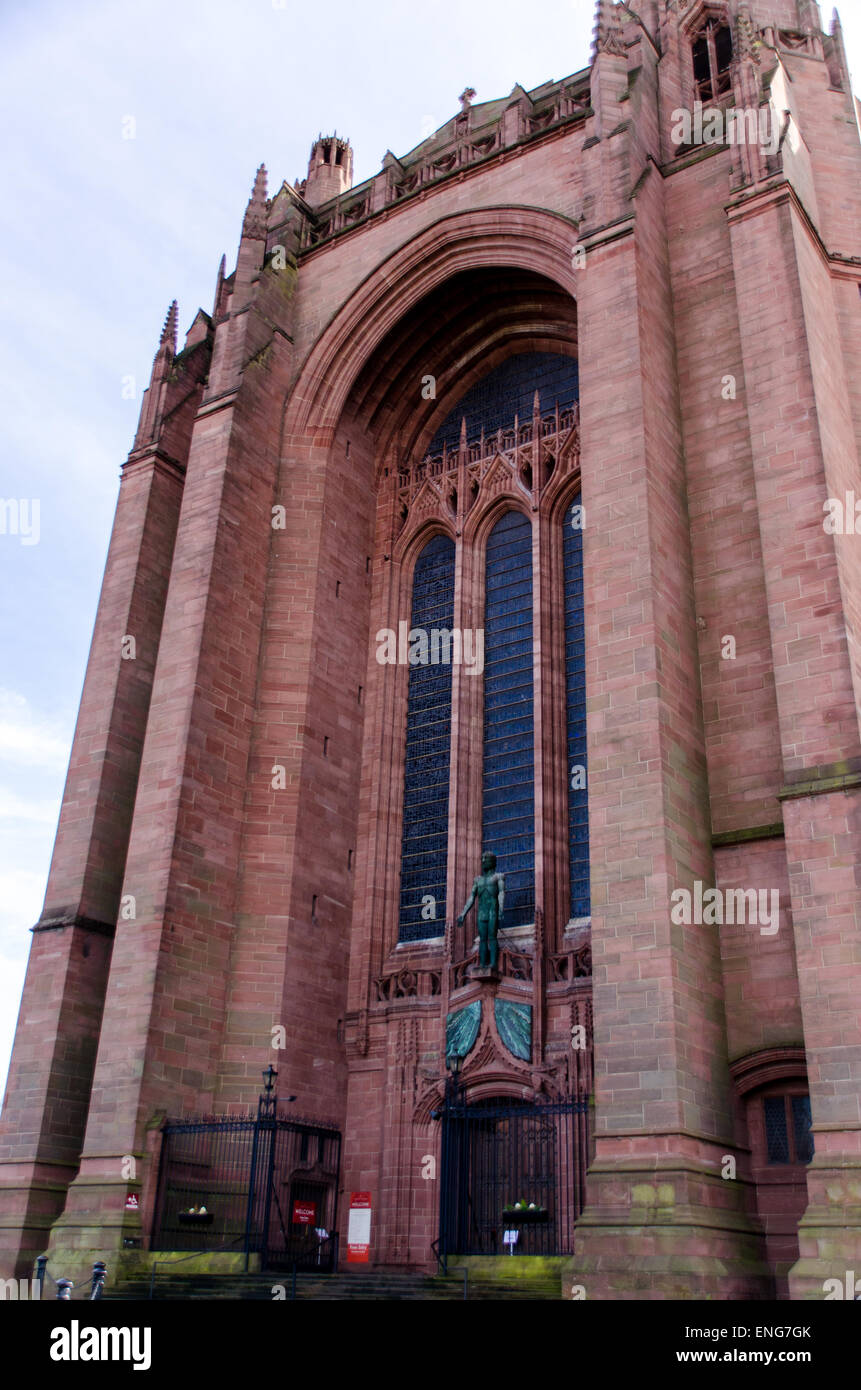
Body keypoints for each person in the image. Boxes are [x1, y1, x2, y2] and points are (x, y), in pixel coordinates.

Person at [457, 851, 505, 969]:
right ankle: (483, 964)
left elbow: (502, 893)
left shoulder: (498, 877)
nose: (483, 861)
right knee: (483, 938)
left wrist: (501, 910)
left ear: (492, 862)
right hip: (482, 913)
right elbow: (471, 897)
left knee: (492, 936)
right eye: (482, 858)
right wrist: (463, 913)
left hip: (492, 911)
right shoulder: (477, 880)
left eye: (486, 858)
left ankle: (493, 964)